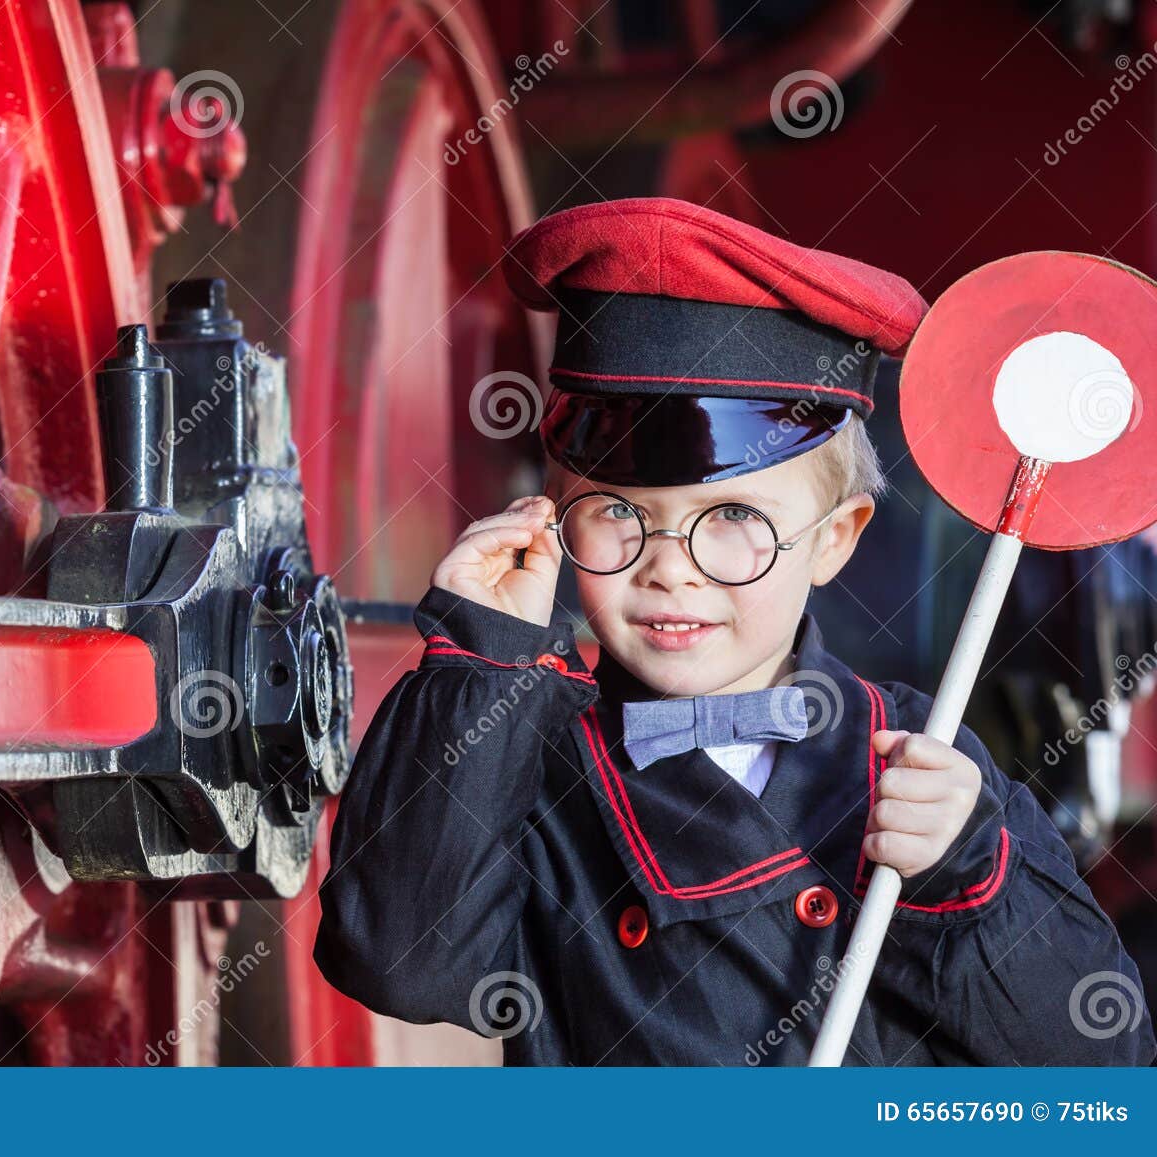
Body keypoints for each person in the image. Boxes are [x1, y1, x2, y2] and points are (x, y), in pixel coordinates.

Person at [311, 197, 1156, 1065]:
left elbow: (1105, 1062)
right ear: (551, 518)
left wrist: (969, 876)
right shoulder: (526, 763)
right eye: (617, 512)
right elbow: (399, 965)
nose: (670, 567)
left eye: (733, 517)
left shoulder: (926, 762)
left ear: (835, 538)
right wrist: (482, 663)